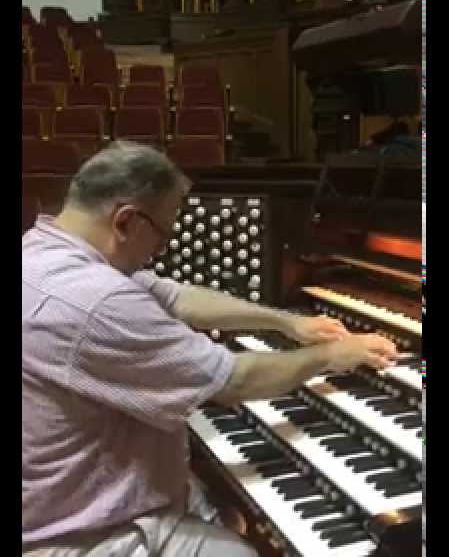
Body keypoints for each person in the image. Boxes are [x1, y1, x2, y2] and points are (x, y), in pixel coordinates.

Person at [22, 141, 399, 556]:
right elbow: (234, 380)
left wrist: (286, 322)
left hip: (63, 498)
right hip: (83, 534)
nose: (160, 251)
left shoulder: (44, 252)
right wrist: (329, 356)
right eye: (163, 234)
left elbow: (176, 296)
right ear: (126, 221)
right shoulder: (99, 300)